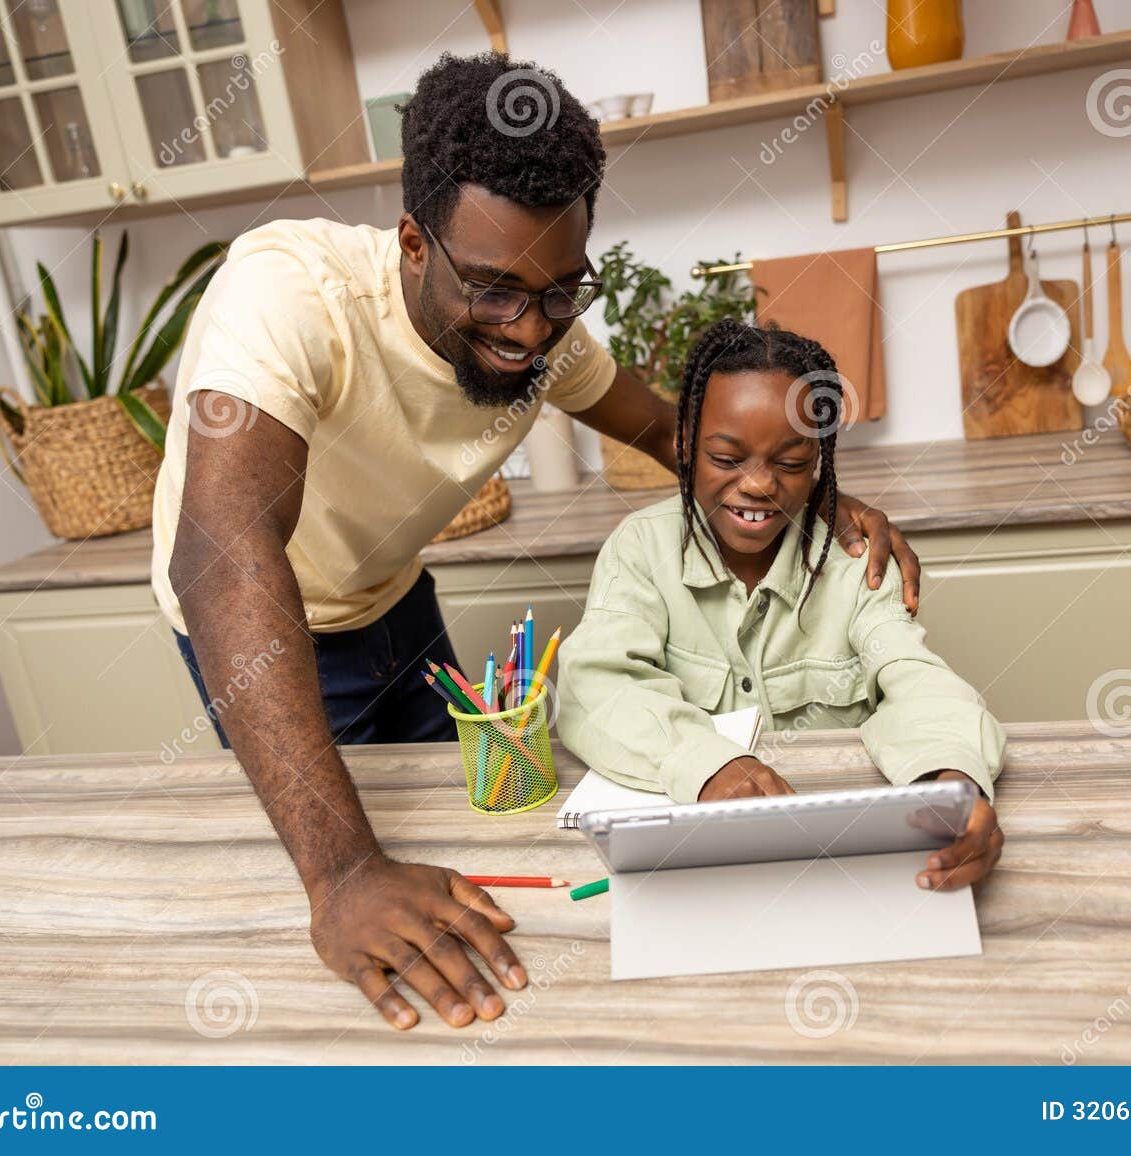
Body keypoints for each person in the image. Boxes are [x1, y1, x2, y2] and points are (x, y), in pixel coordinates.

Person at [153, 53, 924, 1032]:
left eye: (561, 290)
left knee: (470, 852)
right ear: (411, 244)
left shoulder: (544, 329)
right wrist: (343, 873)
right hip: (264, 631)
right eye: (492, 290)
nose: (526, 332)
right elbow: (222, 555)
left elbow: (672, 438)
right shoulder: (288, 293)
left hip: (393, 601)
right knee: (351, 907)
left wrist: (816, 496)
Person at [559, 320, 1006, 891]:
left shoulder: (855, 561)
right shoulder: (641, 549)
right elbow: (595, 686)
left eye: (791, 464)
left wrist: (954, 783)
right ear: (684, 446)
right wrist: (706, 764)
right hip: (698, 863)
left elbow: (916, 680)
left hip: (842, 865)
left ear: (820, 464)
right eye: (726, 458)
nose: (759, 484)